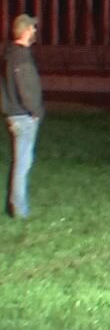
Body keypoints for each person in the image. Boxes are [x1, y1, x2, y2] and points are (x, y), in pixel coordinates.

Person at [3, 14, 44, 220]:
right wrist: (35, 111)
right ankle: (19, 210)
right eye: (32, 28)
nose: (35, 31)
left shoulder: (9, 56)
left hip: (13, 114)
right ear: (26, 30)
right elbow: (26, 89)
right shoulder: (22, 58)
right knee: (23, 163)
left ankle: (14, 205)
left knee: (19, 161)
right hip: (24, 116)